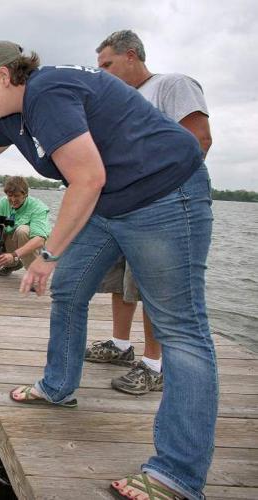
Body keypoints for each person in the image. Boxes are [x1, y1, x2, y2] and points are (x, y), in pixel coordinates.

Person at [0, 41, 215, 500]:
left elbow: (87, 177)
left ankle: (177, 474)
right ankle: (59, 386)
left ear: (4, 75)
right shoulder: (9, 116)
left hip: (166, 194)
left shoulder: (47, 91)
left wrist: (46, 255)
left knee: (181, 330)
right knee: (69, 290)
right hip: (111, 203)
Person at [86, 29, 214, 398]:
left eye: (107, 64)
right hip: (124, 204)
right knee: (121, 281)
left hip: (163, 206)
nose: (103, 72)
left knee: (153, 286)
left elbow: (198, 138)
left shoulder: (171, 84)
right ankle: (120, 343)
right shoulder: (119, 100)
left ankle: (154, 364)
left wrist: (162, 193)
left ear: (131, 55)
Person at [0, 175, 50, 276]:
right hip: (11, 242)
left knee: (23, 231)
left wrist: (14, 255)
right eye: (10, 196)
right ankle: (12, 265)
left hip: (34, 246)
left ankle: (34, 275)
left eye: (16, 196)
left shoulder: (38, 207)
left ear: (25, 194)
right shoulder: (2, 202)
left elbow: (40, 240)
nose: (13, 200)